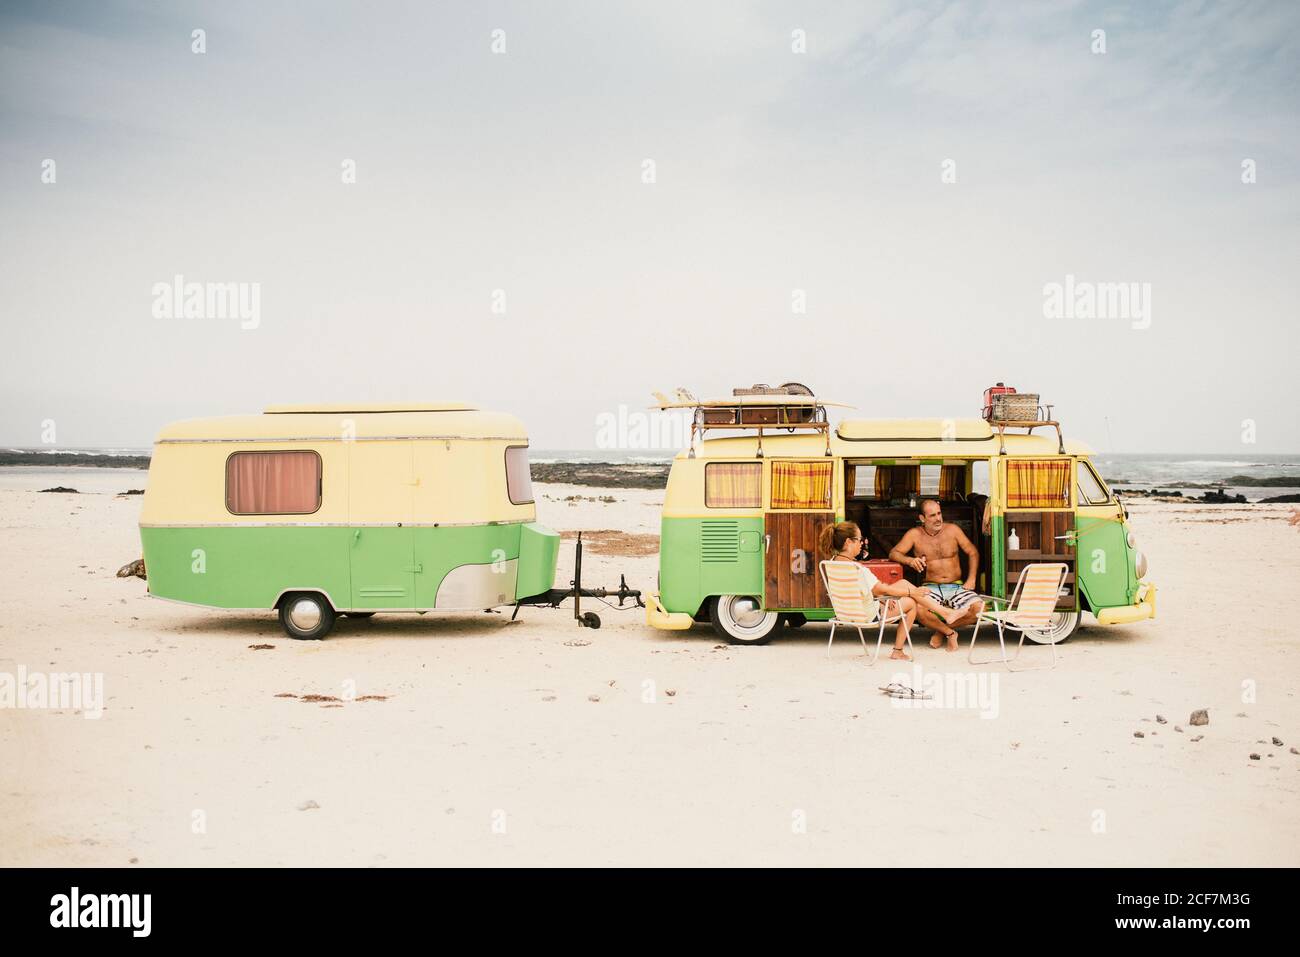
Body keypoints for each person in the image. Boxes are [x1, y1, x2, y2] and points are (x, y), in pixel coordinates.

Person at [818, 521, 965, 661]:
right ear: (848, 542)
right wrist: (910, 593)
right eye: (859, 539)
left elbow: (870, 591)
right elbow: (881, 589)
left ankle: (945, 613)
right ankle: (898, 651)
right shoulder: (858, 569)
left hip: (847, 612)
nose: (862, 542)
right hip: (868, 614)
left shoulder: (831, 564)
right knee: (911, 602)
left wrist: (887, 597)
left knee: (902, 583)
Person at [889, 499, 985, 651]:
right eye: (932, 515)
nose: (938, 518)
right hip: (931, 586)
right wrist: (910, 560)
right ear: (922, 518)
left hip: (957, 585)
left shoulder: (953, 530)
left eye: (939, 513)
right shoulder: (914, 534)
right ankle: (950, 632)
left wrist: (972, 578)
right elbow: (894, 553)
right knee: (919, 609)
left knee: (980, 609)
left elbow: (972, 552)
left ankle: (940, 631)